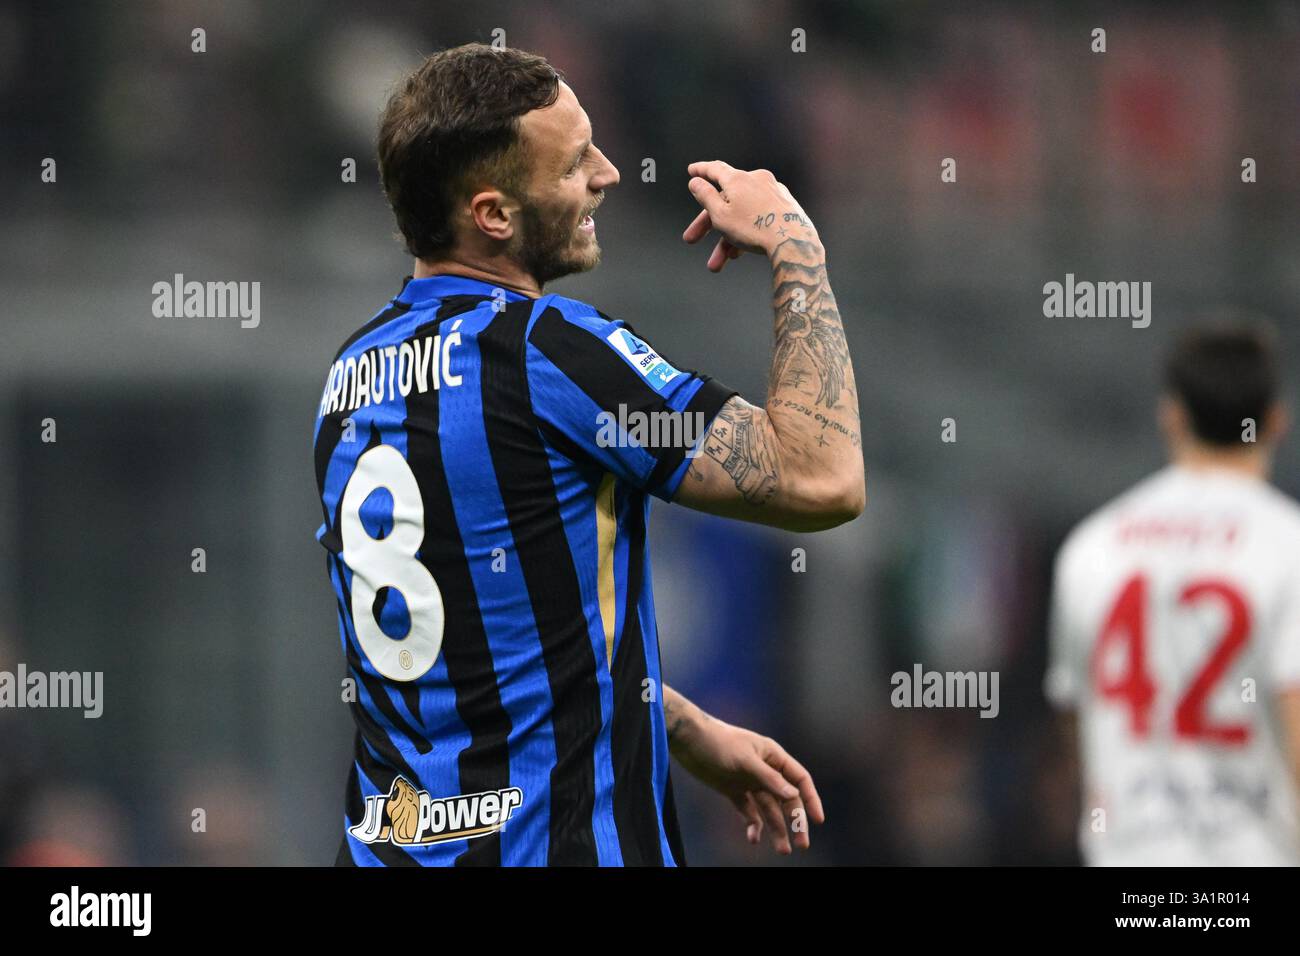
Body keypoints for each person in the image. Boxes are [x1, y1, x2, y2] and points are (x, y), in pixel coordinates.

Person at [313, 43, 864, 866]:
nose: (607, 173)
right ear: (494, 215)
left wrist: (678, 723)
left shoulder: (348, 380)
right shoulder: (551, 355)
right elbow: (823, 478)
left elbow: (474, 638)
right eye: (574, 164)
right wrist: (796, 247)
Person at [1047, 319, 1300, 865]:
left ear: (1172, 415)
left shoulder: (1092, 545)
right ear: (1277, 421)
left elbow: (1078, 722)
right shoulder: (1288, 545)